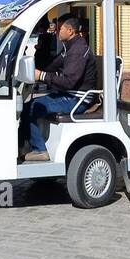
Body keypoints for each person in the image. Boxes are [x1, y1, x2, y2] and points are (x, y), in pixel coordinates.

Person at [21, 17, 96, 161]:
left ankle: (40, 150)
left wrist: (41, 75)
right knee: (28, 106)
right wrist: (35, 63)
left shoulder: (77, 50)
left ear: (70, 31)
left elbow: (68, 82)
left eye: (60, 29)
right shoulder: (70, 47)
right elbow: (53, 65)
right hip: (68, 94)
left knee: (30, 108)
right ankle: (27, 145)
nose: (57, 31)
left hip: (76, 99)